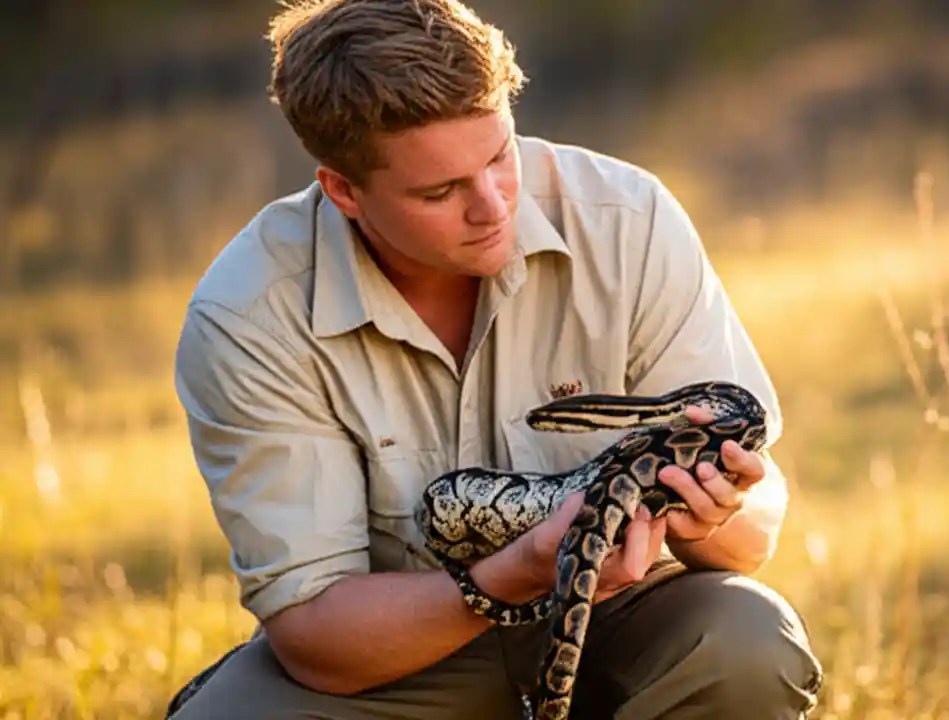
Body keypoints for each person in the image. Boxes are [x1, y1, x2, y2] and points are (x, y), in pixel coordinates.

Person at [167, 0, 822, 717]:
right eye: (441, 191)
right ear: (344, 191)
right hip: (408, 645)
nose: (493, 207)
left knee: (748, 641)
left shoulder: (627, 218)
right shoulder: (248, 314)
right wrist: (516, 573)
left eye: (500, 156)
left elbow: (754, 533)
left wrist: (718, 514)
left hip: (622, 614)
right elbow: (315, 636)